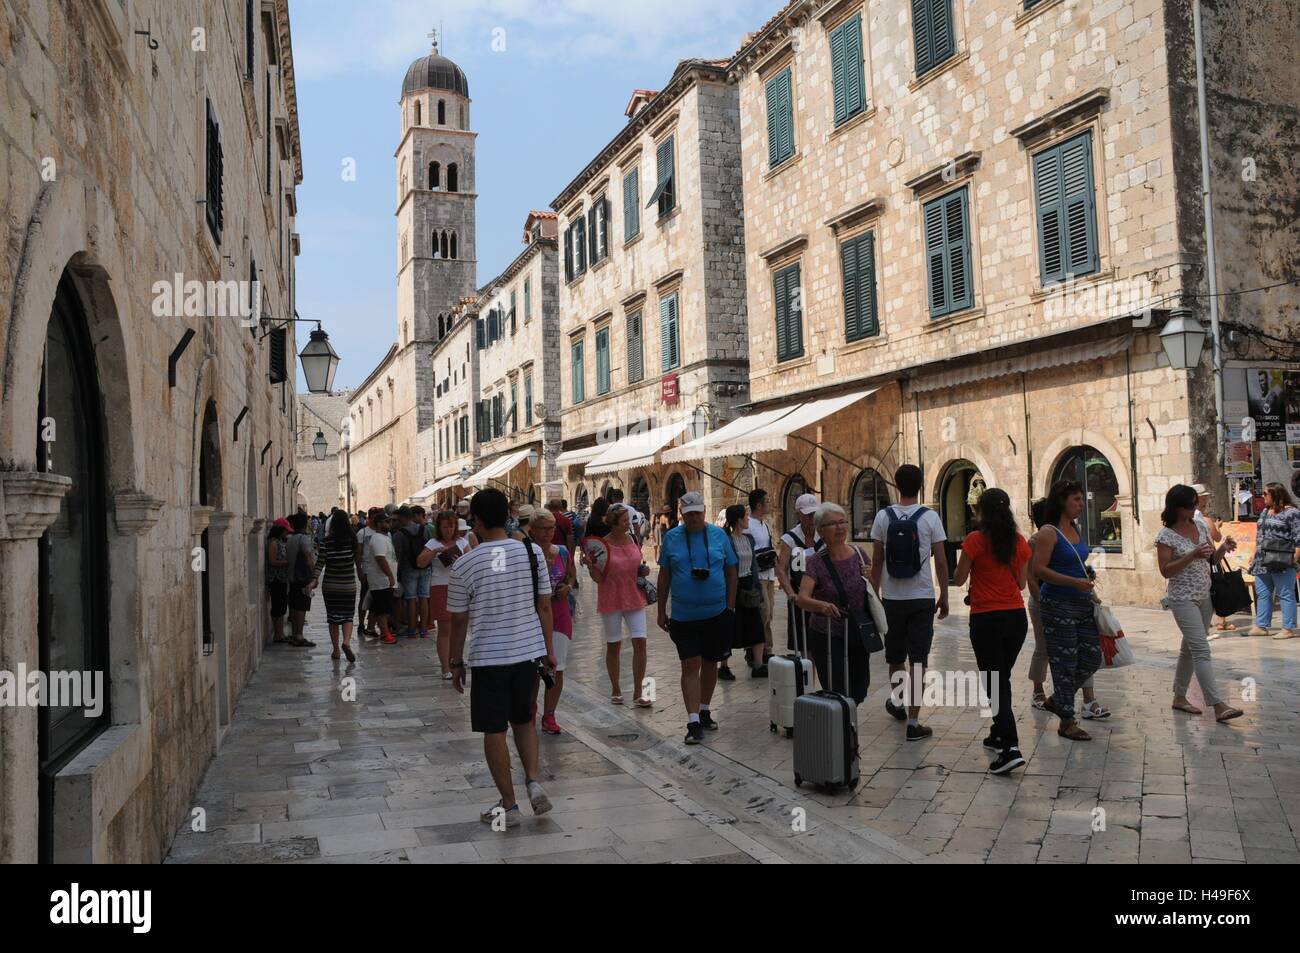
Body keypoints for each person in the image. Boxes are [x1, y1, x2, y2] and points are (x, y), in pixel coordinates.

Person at [447, 488, 555, 828]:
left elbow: (458, 620)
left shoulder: (464, 564)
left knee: (493, 729)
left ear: (475, 520)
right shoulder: (531, 551)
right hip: (527, 652)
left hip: (489, 657)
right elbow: (545, 605)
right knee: (523, 720)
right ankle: (533, 780)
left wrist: (455, 663)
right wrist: (549, 651)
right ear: (507, 516)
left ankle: (508, 804)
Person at [952, 488, 1030, 774]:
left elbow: (959, 579)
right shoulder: (1019, 542)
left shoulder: (974, 540)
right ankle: (999, 732)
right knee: (1001, 678)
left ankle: (1010, 747)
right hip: (1016, 618)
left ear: (980, 511)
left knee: (996, 682)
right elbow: (1022, 585)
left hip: (986, 618)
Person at [869, 464, 948, 741]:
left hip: (892, 598)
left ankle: (899, 701)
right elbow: (940, 559)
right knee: (918, 661)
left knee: (895, 658)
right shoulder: (930, 518)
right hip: (922, 597)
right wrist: (945, 596)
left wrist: (873, 595)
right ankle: (914, 723)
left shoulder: (883, 517)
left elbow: (877, 560)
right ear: (920, 485)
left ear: (896, 484)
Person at [656, 491, 738, 745]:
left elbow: (732, 571)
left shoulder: (718, 535)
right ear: (682, 514)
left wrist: (730, 607)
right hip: (684, 616)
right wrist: (660, 610)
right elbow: (664, 576)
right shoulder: (671, 538)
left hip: (716, 613)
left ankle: (704, 709)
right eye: (688, 514)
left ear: (704, 512)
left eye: (698, 513)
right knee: (690, 665)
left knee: (711, 663)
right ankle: (692, 721)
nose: (693, 518)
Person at [1158, 484, 1244, 721]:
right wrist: (1190, 555)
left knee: (1189, 648)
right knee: (1200, 649)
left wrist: (1223, 549)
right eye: (1192, 504)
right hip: (1181, 598)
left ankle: (1179, 696)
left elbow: (1210, 559)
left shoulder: (1199, 526)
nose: (1196, 508)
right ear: (1178, 507)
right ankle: (1217, 704)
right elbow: (1165, 571)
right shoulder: (1166, 536)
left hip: (1205, 595)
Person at [1030, 479, 1100, 740]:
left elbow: (1077, 561)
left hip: (1081, 603)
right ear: (1062, 501)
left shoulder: (1075, 528)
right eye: (1076, 500)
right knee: (1064, 662)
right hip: (1057, 603)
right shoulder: (1049, 532)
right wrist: (1074, 581)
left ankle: (1058, 699)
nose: (1082, 504)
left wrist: (1087, 576)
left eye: (1082, 499)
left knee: (1092, 656)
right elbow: (1039, 569)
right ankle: (1067, 721)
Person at [795, 502, 872, 703]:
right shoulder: (815, 562)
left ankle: (848, 721)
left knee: (859, 689)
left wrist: (871, 577)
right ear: (820, 530)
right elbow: (802, 598)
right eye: (832, 524)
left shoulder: (860, 554)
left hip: (857, 631)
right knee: (836, 689)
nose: (839, 528)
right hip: (827, 634)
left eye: (842, 522)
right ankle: (843, 729)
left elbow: (871, 592)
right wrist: (822, 606)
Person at [585, 502, 652, 706]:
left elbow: (637, 564)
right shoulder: (602, 546)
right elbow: (598, 578)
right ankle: (616, 689)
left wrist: (643, 571)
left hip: (634, 595)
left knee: (640, 642)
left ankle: (640, 691)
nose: (628, 523)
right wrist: (590, 566)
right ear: (613, 523)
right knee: (614, 645)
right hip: (611, 597)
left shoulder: (632, 538)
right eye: (624, 521)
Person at [529, 509, 575, 734]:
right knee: (534, 668)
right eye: (544, 529)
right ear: (532, 530)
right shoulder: (527, 554)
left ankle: (549, 714)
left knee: (557, 666)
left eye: (552, 528)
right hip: (533, 616)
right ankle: (530, 707)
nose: (549, 533)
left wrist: (567, 586)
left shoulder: (563, 552)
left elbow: (571, 577)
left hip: (560, 612)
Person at [417, 511, 470, 678]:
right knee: (445, 628)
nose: (448, 530)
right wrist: (434, 552)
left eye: (451, 526)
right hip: (440, 586)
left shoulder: (462, 542)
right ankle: (445, 667)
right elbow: (420, 562)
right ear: (439, 527)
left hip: (460, 587)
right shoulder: (433, 543)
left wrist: (460, 560)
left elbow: (471, 562)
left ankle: (455, 659)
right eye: (445, 526)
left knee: (458, 626)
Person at [721, 504, 769, 680]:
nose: (748, 519)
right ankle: (723, 666)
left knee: (756, 624)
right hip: (734, 585)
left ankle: (757, 664)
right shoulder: (727, 539)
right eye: (746, 516)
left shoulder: (749, 539)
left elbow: (754, 564)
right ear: (739, 520)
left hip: (749, 584)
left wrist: (757, 586)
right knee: (730, 626)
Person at [1247, 482, 1300, 639]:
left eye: (1265, 494)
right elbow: (1260, 535)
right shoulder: (1265, 511)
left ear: (1275, 495)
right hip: (1262, 559)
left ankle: (1288, 628)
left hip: (1282, 558)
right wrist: (1254, 552)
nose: (1262, 497)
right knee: (1263, 592)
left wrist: (1295, 557)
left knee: (1285, 593)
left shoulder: (1291, 513)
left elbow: (1299, 536)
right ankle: (1261, 625)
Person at [777, 493, 826, 656]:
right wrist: (790, 593)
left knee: (826, 644)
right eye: (808, 515)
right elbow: (782, 569)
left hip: (824, 595)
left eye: (815, 514)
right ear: (798, 514)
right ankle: (808, 679)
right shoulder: (789, 539)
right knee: (806, 647)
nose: (812, 518)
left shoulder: (825, 535)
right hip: (800, 596)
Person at [315, 510, 359, 662]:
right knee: (348, 615)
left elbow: (320, 563)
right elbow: (358, 561)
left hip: (330, 585)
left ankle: (336, 651)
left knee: (333, 618)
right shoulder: (353, 541)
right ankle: (346, 642)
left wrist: (314, 579)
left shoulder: (326, 542)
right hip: (348, 585)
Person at [746, 489, 777, 668]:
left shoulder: (764, 524)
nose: (770, 502)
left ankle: (766, 650)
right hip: (758, 576)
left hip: (769, 574)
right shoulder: (748, 524)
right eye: (767, 500)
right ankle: (759, 652)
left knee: (769, 614)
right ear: (758, 504)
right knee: (762, 613)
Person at [362, 514, 399, 645]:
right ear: (378, 524)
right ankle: (385, 634)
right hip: (381, 579)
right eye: (387, 521)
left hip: (385, 579)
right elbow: (380, 558)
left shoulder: (385, 537)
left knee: (382, 607)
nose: (390, 523)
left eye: (390, 521)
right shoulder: (377, 539)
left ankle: (374, 629)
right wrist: (390, 575)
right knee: (383, 609)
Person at [284, 511, 318, 648]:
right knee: (302, 607)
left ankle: (294, 634)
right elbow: (308, 557)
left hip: (292, 576)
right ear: (305, 523)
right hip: (302, 577)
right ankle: (299, 635)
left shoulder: (290, 538)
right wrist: (314, 575)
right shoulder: (304, 538)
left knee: (294, 605)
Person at [266, 519, 291, 644]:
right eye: (285, 531)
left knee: (281, 606)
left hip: (281, 578)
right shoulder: (273, 543)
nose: (287, 533)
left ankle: (280, 633)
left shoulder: (278, 542)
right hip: (276, 579)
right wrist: (287, 563)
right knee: (278, 607)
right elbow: (272, 561)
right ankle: (278, 634)